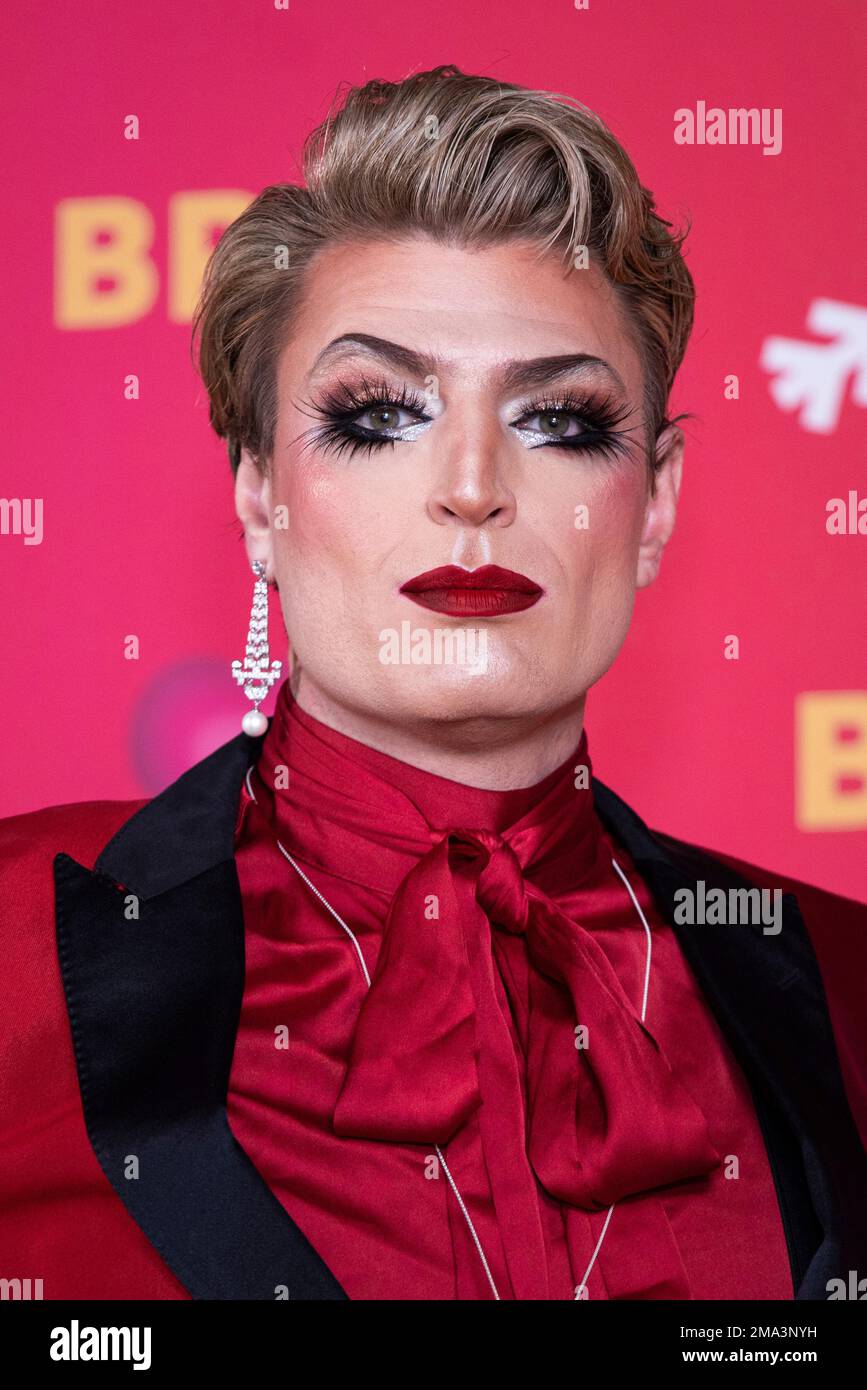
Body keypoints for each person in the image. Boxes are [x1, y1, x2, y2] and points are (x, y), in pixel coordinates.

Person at [1, 65, 865, 1302]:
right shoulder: (18, 958)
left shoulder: (836, 979)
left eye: (561, 420)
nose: (472, 485)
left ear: (657, 503)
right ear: (258, 493)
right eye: (376, 415)